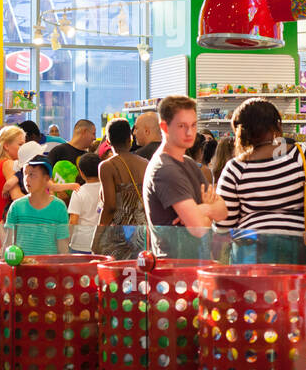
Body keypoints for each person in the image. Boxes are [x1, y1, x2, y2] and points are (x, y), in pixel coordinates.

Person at [215, 97, 306, 237]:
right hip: (300, 247)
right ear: (276, 125)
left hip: (251, 250)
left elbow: (225, 222)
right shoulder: (301, 156)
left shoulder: (235, 169)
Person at [142, 96, 226, 257]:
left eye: (193, 125)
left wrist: (203, 209)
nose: (189, 132)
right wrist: (208, 212)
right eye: (182, 126)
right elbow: (199, 228)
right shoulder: (165, 169)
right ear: (164, 127)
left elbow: (222, 211)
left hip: (193, 265)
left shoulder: (188, 163)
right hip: (173, 271)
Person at [96, 118, 148, 258]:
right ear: (130, 139)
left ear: (108, 141)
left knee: (115, 276)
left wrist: (97, 237)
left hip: (118, 236)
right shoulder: (146, 164)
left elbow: (110, 206)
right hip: (142, 235)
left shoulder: (107, 166)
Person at [4, 158, 70, 255]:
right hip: (22, 266)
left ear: (46, 178)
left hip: (48, 267)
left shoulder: (59, 206)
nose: (26, 178)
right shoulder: (16, 206)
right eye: (24, 174)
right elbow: (8, 243)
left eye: (32, 174)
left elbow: (62, 245)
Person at [66, 153, 103, 251]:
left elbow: (73, 220)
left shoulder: (78, 192)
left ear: (81, 173)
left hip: (80, 242)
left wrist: (67, 240)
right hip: (100, 240)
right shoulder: (106, 190)